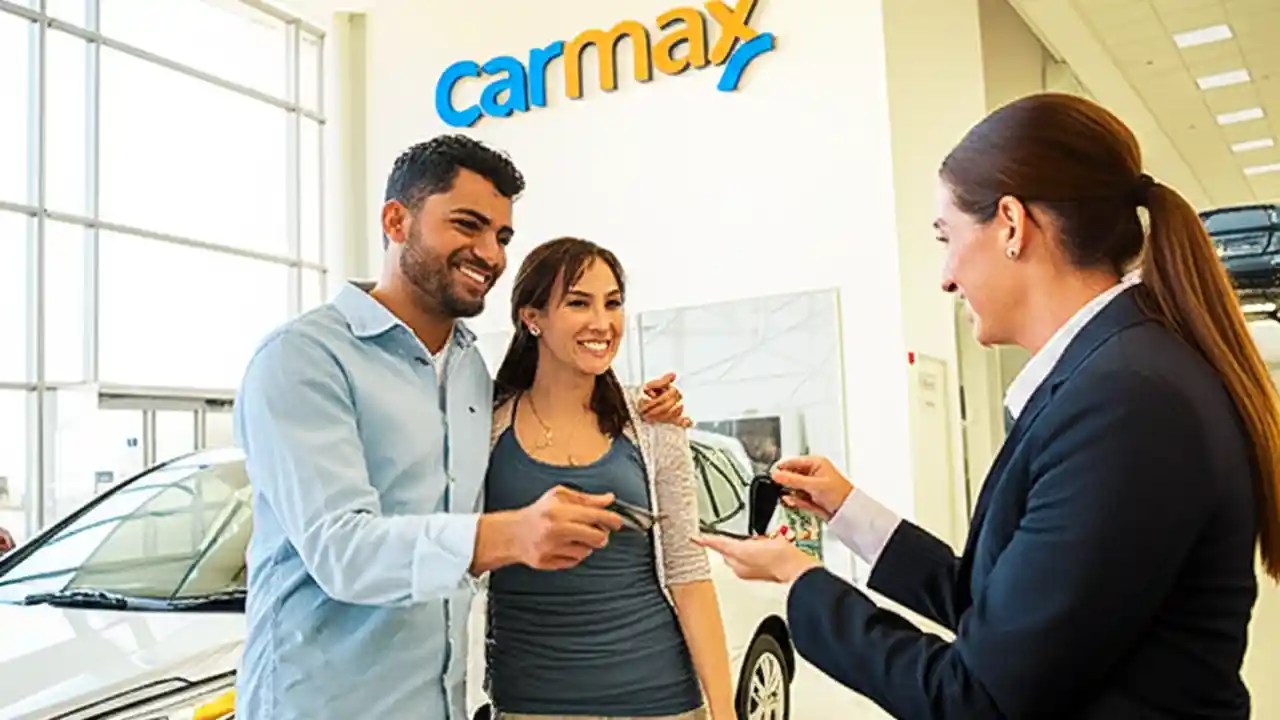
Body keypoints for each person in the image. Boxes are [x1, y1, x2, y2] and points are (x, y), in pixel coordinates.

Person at [696, 92, 1280, 719]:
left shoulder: (1127, 400)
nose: (946, 276)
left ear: (1010, 224)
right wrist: (849, 511)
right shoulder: (1112, 376)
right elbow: (1002, 609)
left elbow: (978, 699)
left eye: (946, 237)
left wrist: (799, 583)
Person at [233, 135, 688, 720]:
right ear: (396, 221)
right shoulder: (303, 358)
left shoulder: (471, 370)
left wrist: (642, 409)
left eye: (500, 236)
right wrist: (512, 535)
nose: (490, 254)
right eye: (467, 225)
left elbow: (548, 408)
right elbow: (341, 549)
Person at [477, 237, 735, 720]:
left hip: (660, 699)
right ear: (532, 317)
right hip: (531, 704)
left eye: (612, 303)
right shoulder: (485, 426)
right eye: (579, 302)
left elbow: (688, 573)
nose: (602, 322)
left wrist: (725, 711)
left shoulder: (652, 423)